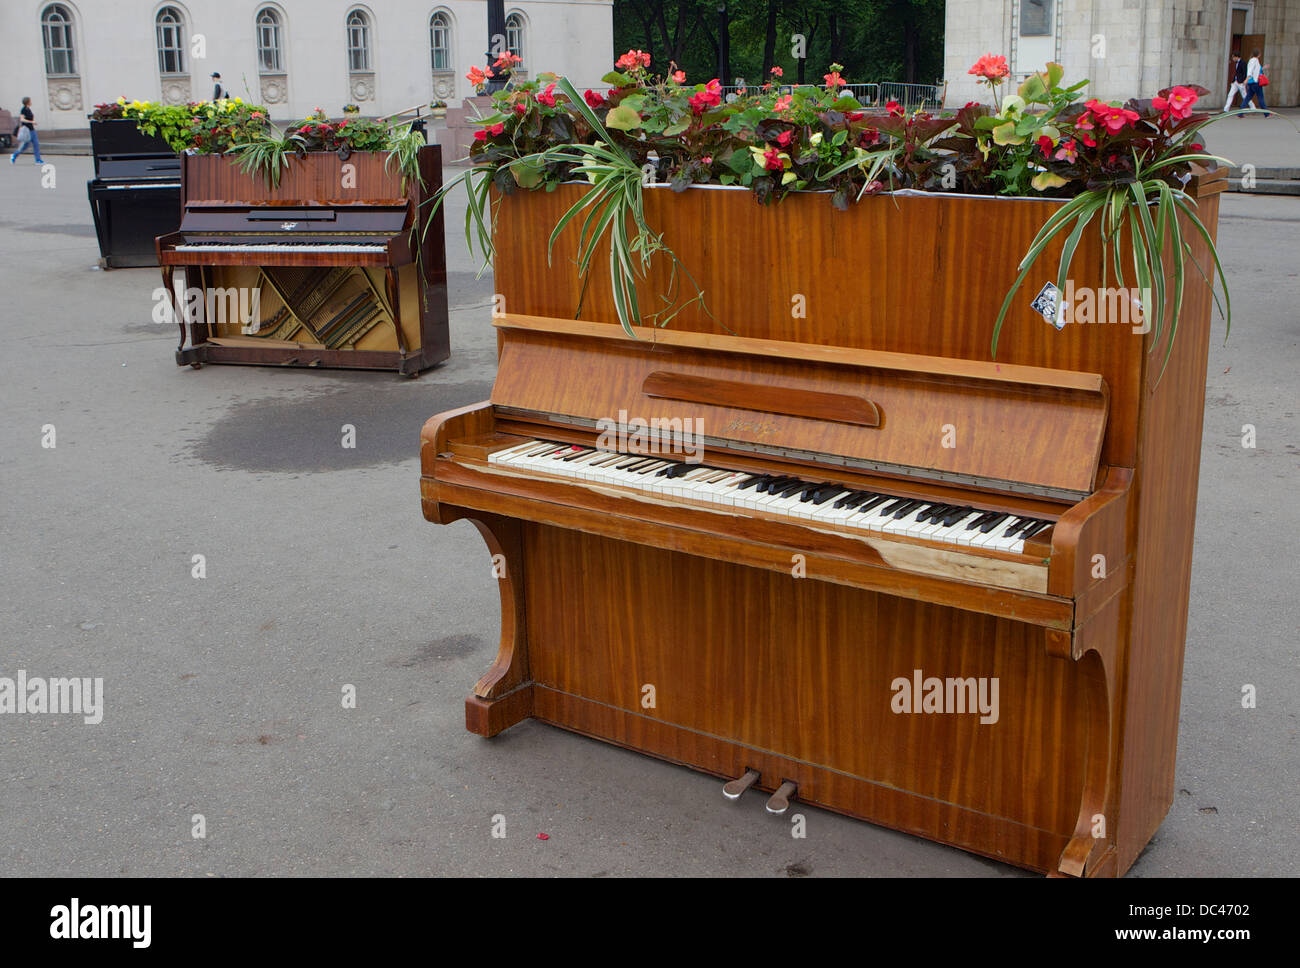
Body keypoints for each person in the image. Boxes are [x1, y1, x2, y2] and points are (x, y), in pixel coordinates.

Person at [9, 96, 44, 165]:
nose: (31, 102)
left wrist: (32, 122)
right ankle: (14, 155)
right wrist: (31, 122)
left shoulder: (28, 109)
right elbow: (22, 119)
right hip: (27, 131)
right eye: (30, 101)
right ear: (28, 102)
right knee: (25, 146)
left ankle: (38, 160)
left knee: (36, 144)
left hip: (32, 130)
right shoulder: (23, 109)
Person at [1245, 49, 1271, 117]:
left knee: (1248, 97)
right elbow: (1250, 70)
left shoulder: (1252, 60)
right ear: (1259, 54)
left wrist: (1263, 68)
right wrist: (1246, 79)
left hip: (1251, 82)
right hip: (1255, 82)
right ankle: (1266, 113)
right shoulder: (1255, 60)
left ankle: (1240, 113)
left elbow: (1256, 70)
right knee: (1260, 97)